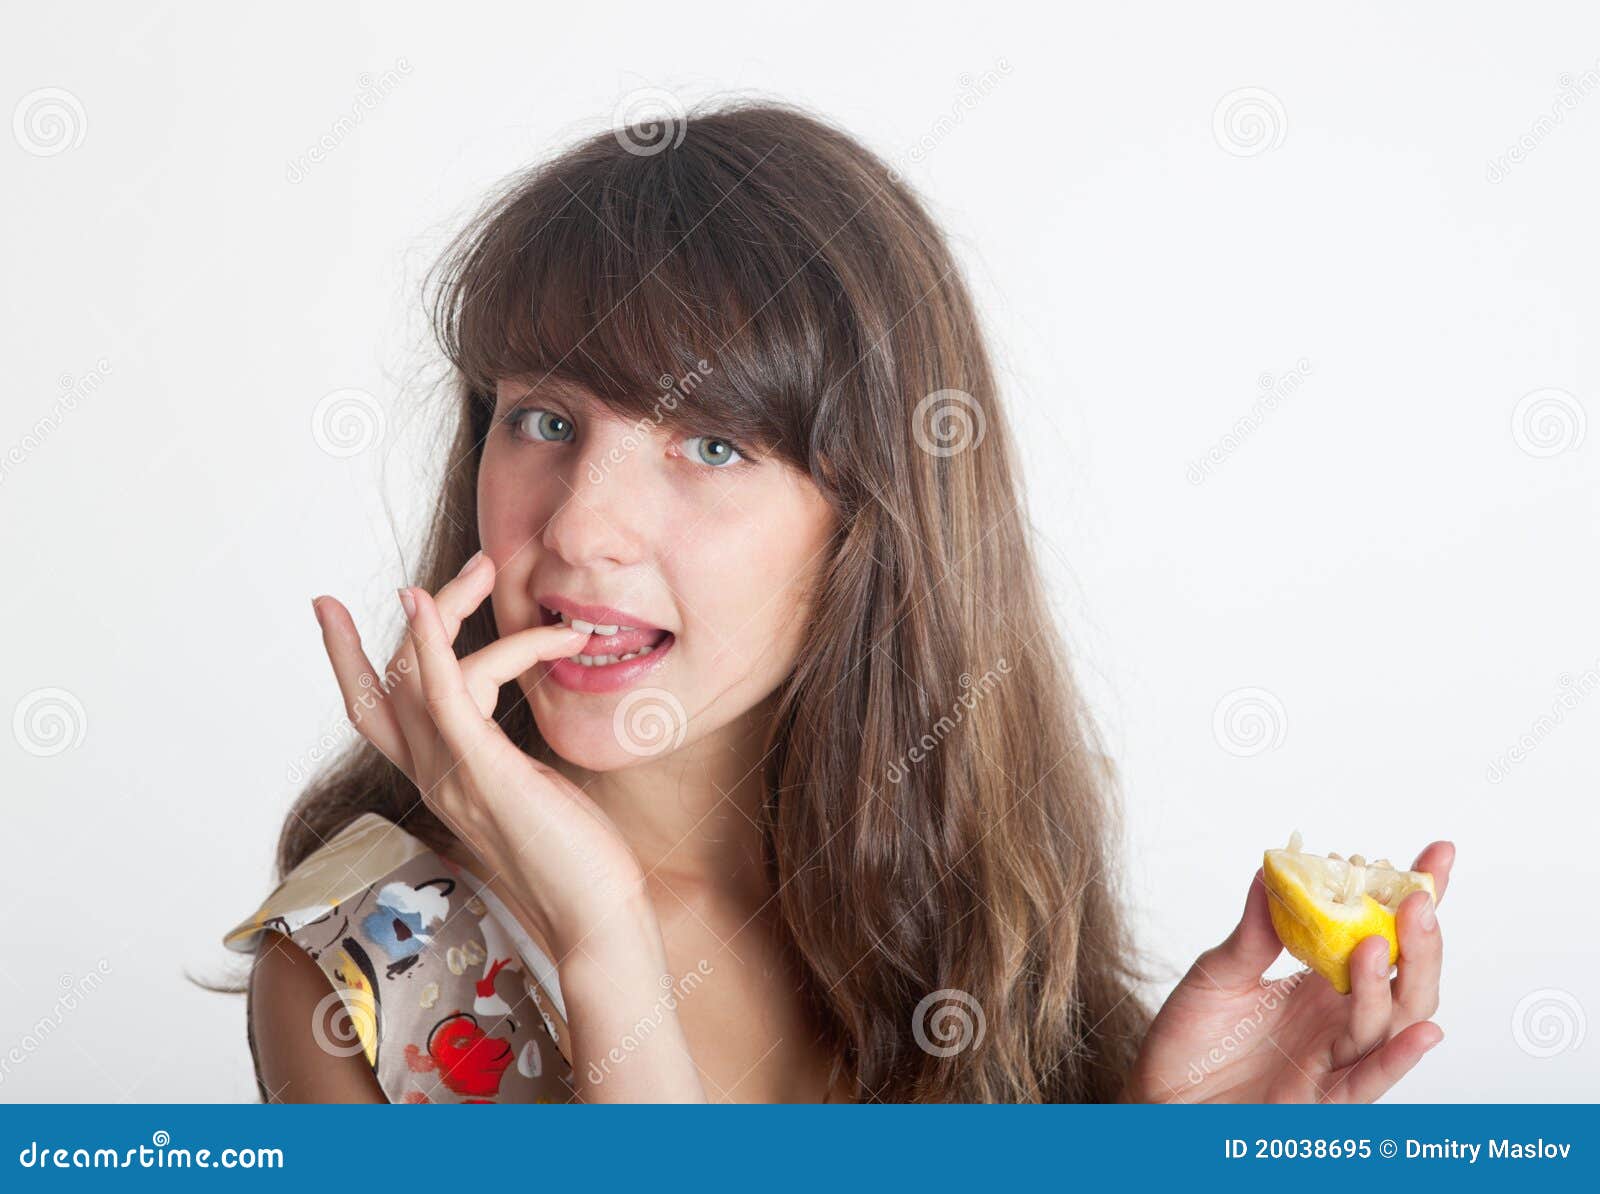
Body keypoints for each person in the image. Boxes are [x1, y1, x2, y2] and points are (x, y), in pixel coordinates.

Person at [224, 99, 1451, 1104]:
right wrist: (602, 944)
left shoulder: (975, 885)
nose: (579, 527)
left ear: (872, 519)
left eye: (709, 447)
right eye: (541, 421)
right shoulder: (365, 979)